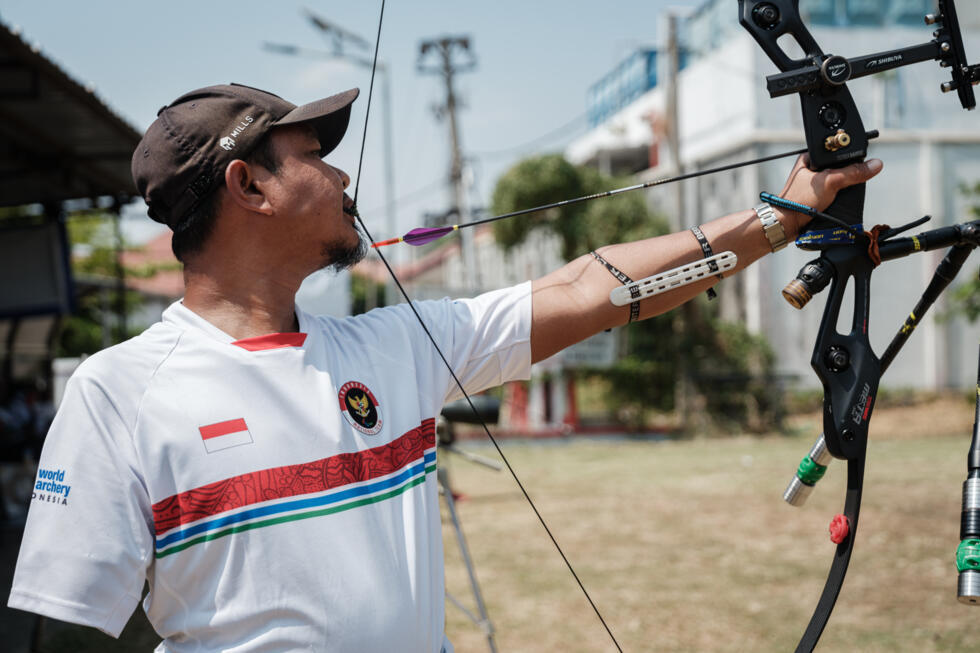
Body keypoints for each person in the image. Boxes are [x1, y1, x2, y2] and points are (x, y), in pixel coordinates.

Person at [7, 83, 882, 652]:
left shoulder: (390, 348)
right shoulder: (118, 392)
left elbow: (595, 287)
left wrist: (781, 218)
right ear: (250, 187)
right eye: (312, 154)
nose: (341, 169)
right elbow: (63, 633)